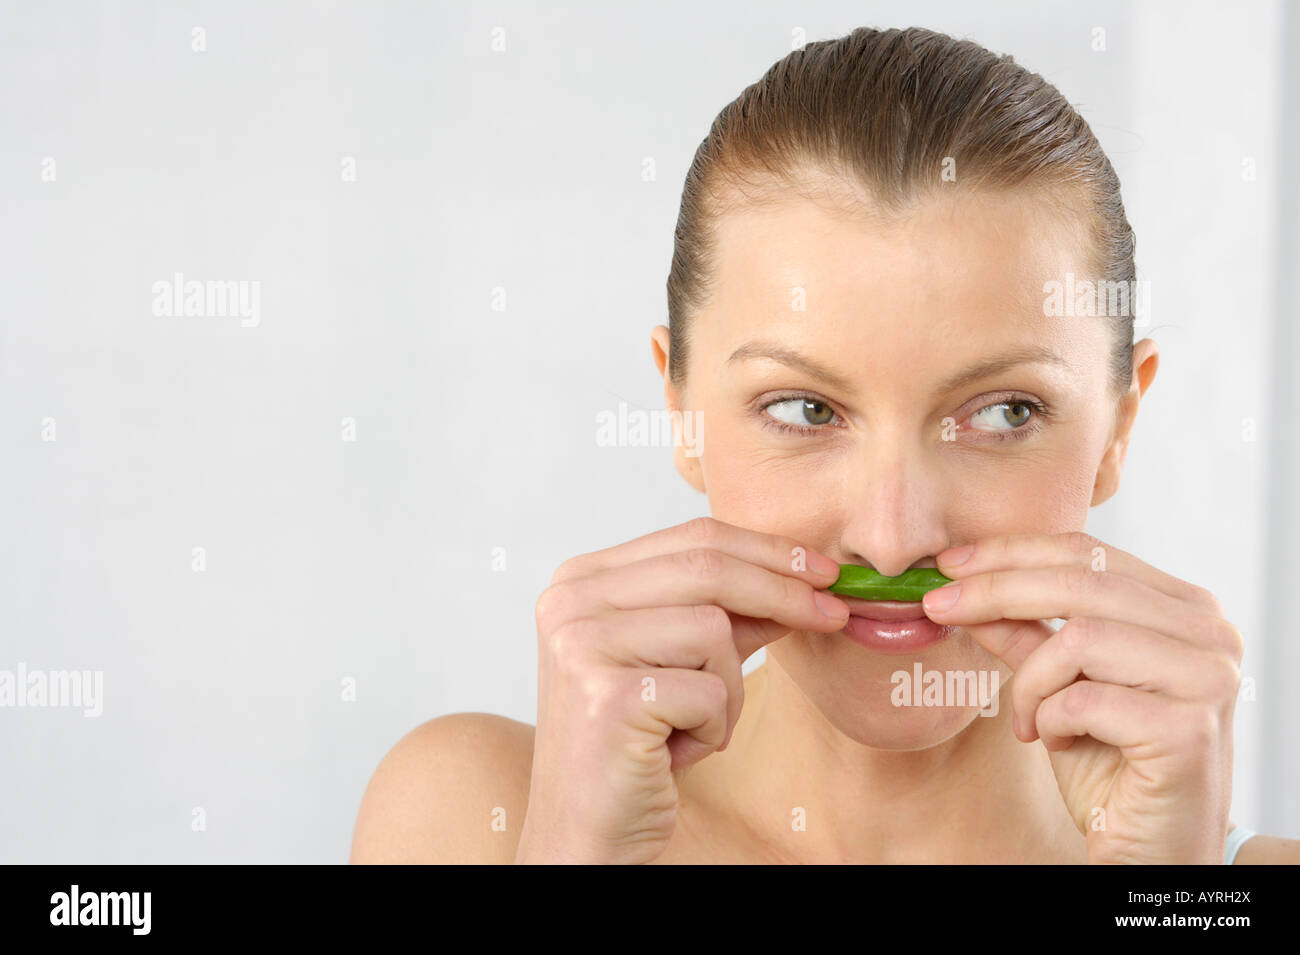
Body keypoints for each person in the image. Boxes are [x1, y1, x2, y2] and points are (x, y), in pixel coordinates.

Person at [350, 25, 1299, 864]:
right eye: (804, 410)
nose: (891, 540)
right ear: (682, 409)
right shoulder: (473, 815)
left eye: (1004, 411)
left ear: (1117, 427)